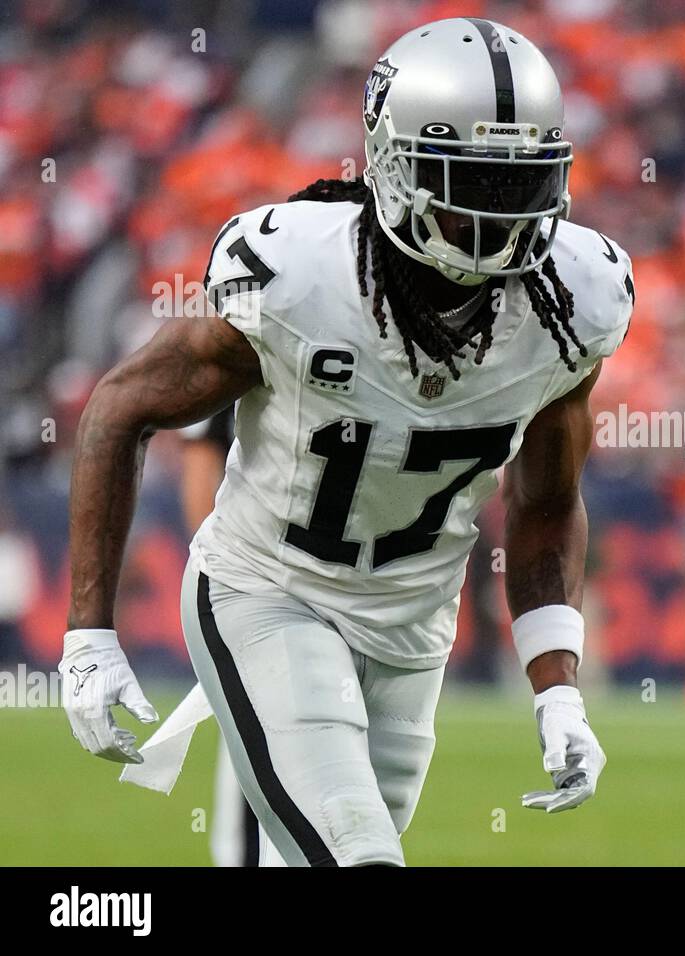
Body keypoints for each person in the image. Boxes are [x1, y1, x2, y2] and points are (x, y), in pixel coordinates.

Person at [59, 17, 634, 867]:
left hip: (413, 630)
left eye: (519, 182)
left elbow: (547, 503)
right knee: (359, 858)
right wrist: (87, 635)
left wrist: (558, 692)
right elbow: (120, 407)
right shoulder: (301, 273)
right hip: (270, 591)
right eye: (468, 178)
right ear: (393, 165)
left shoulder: (574, 303)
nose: (496, 213)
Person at [179, 406, 258, 867]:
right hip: (260, 580)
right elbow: (200, 462)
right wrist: (223, 580)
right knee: (257, 733)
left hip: (358, 586)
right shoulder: (235, 337)